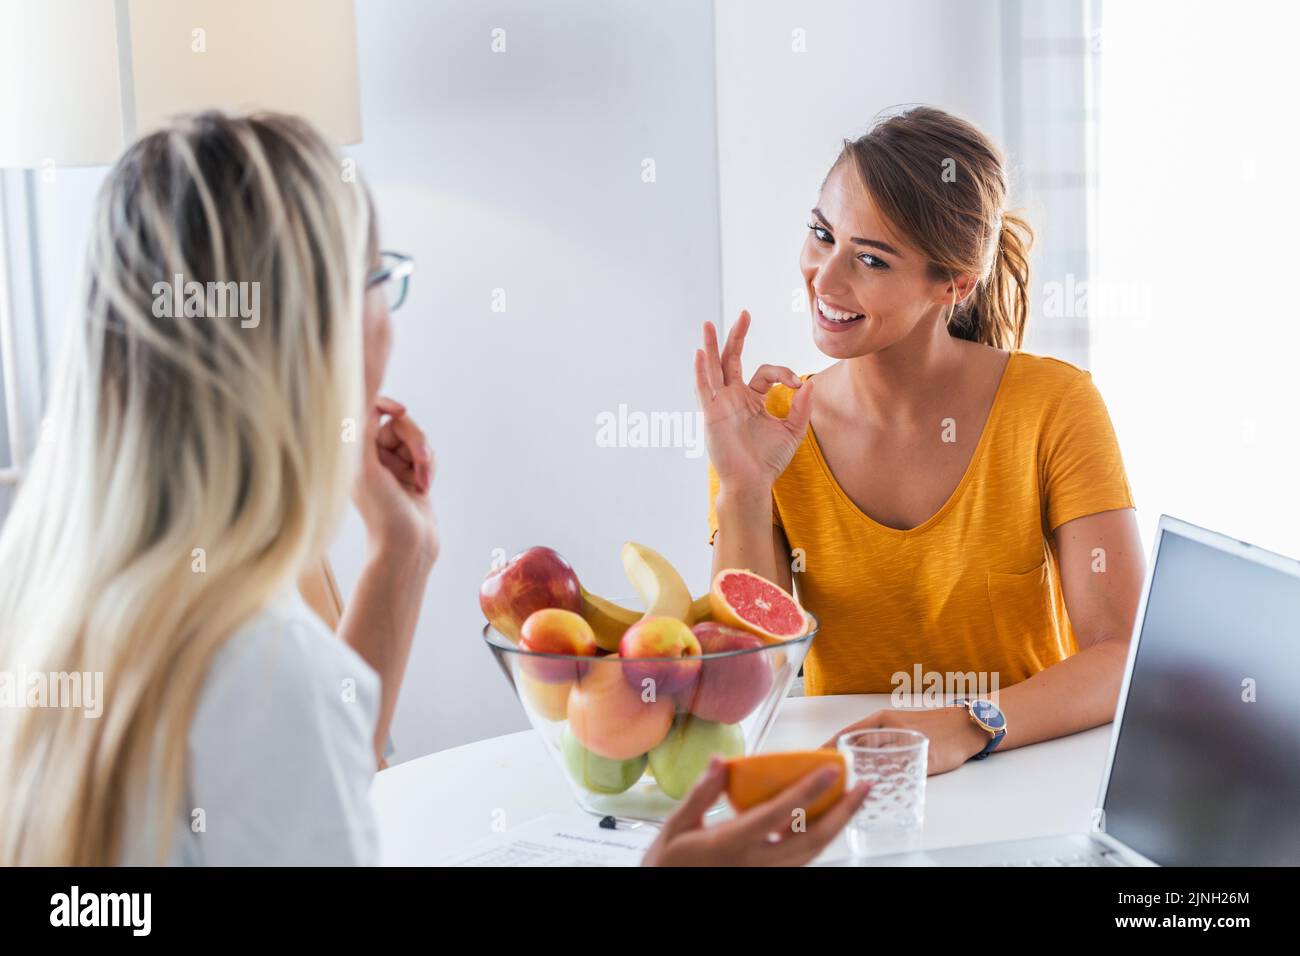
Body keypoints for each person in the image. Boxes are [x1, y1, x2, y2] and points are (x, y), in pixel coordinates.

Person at [0, 111, 864, 866]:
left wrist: (402, 554)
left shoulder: (46, 584)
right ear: (321, 326)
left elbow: (316, 770)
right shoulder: (258, 669)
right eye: (383, 277)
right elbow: (289, 733)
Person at [696, 106, 1145, 775]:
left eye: (871, 259)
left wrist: (964, 728)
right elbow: (741, 684)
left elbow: (1122, 659)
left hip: (1023, 770)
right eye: (822, 235)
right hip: (851, 783)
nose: (825, 278)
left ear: (955, 283)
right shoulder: (773, 430)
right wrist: (743, 486)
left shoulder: (1055, 408)